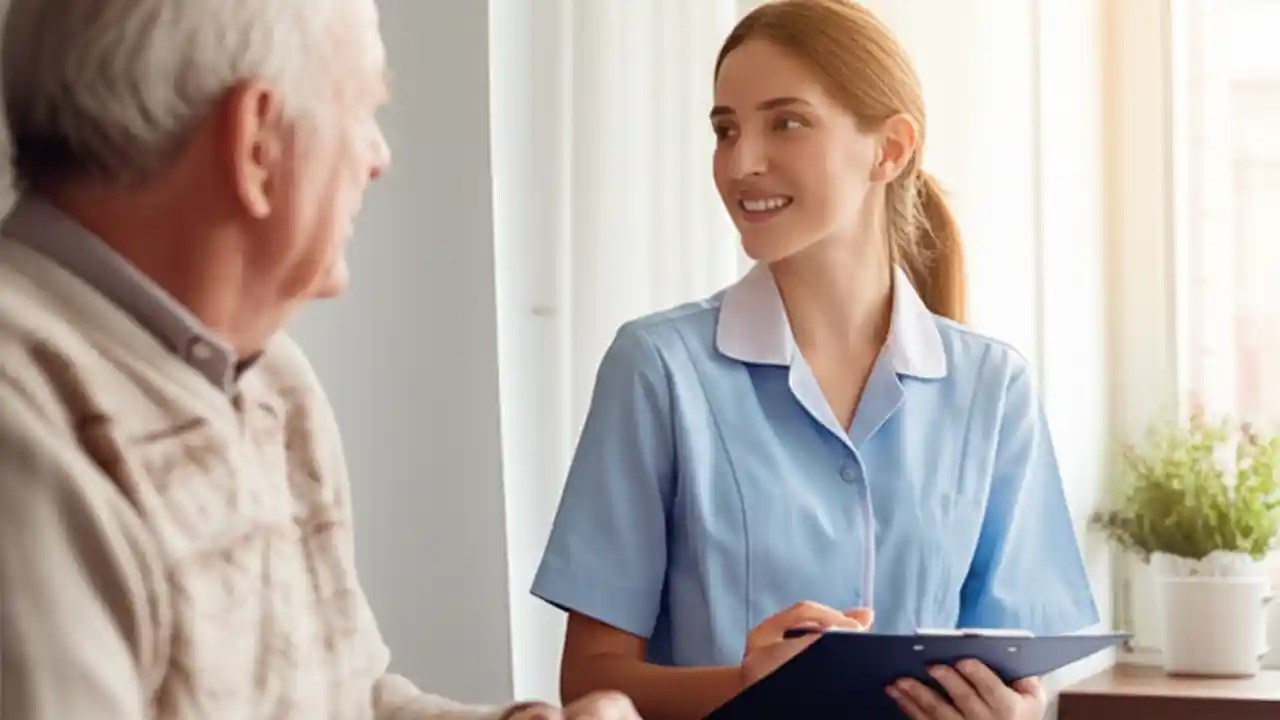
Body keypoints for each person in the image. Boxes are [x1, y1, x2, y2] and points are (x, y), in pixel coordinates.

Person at [0, 1, 640, 719]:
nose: (378, 156)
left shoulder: (275, 382)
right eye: (364, 109)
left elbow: (349, 699)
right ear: (259, 143)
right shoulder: (26, 434)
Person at [530, 1, 1098, 718]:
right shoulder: (659, 369)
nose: (742, 163)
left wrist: (1009, 712)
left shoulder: (993, 388)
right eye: (725, 129)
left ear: (889, 149)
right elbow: (591, 683)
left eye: (786, 122)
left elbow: (1021, 672)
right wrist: (748, 685)